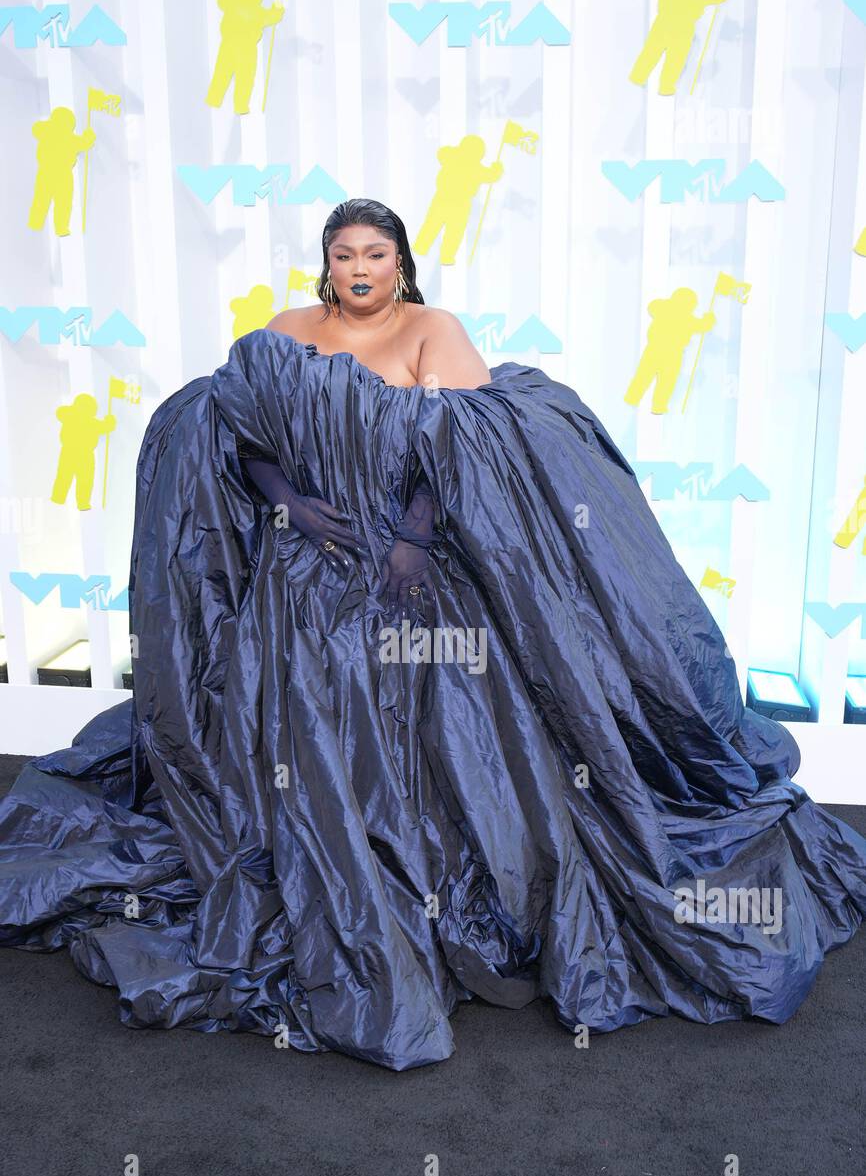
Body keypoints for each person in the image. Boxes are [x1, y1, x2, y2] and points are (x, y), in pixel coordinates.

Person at [1, 198, 864, 1072]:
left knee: (445, 735)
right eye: (344, 254)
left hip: (408, 576)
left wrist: (412, 542)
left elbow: (467, 453)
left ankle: (430, 887)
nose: (360, 267)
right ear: (326, 264)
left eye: (376, 252)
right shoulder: (288, 328)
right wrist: (288, 502)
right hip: (300, 575)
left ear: (401, 262)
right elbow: (240, 429)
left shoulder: (433, 333)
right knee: (296, 730)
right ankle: (336, 876)